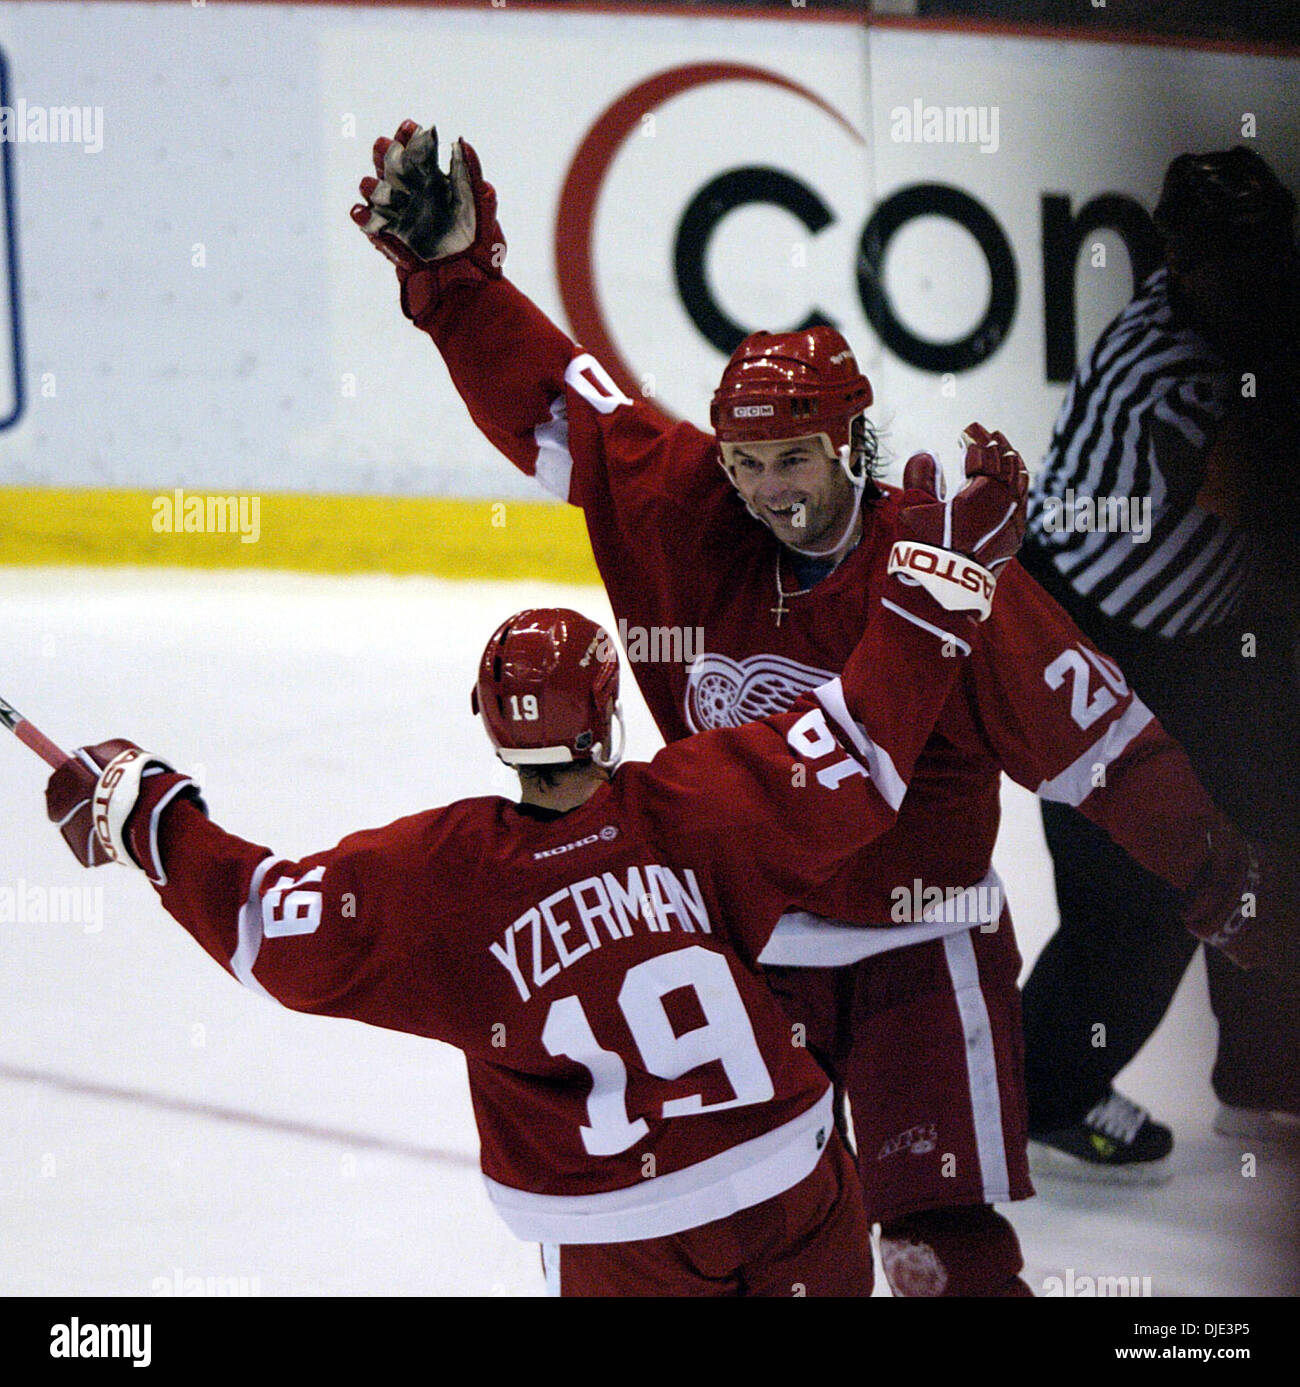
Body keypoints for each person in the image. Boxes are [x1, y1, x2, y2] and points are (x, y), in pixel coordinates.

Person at [351, 123, 1295, 1295]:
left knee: (936, 1250)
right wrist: (456, 287)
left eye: (791, 461)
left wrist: (1214, 872)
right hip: (741, 951)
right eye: (745, 464)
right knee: (759, 1241)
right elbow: (565, 400)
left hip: (920, 943)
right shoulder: (687, 505)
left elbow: (1094, 740)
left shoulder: (939, 569)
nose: (763, 492)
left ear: (851, 440)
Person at [41, 432, 1030, 1297]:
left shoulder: (444, 878)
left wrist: (149, 816)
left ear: (489, 725)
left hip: (621, 1235)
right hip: (790, 1179)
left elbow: (273, 925)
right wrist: (938, 593)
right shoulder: (702, 801)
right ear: (607, 715)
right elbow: (858, 747)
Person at [1019, 146, 1300, 1175]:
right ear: (1179, 265)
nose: (1265, 275)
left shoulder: (1231, 302)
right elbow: (1249, 491)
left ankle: (1269, 1076)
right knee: (1134, 904)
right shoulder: (1171, 376)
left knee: (1272, 836)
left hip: (1200, 641)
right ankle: (1041, 1091)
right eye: (1239, 263)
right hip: (1087, 650)